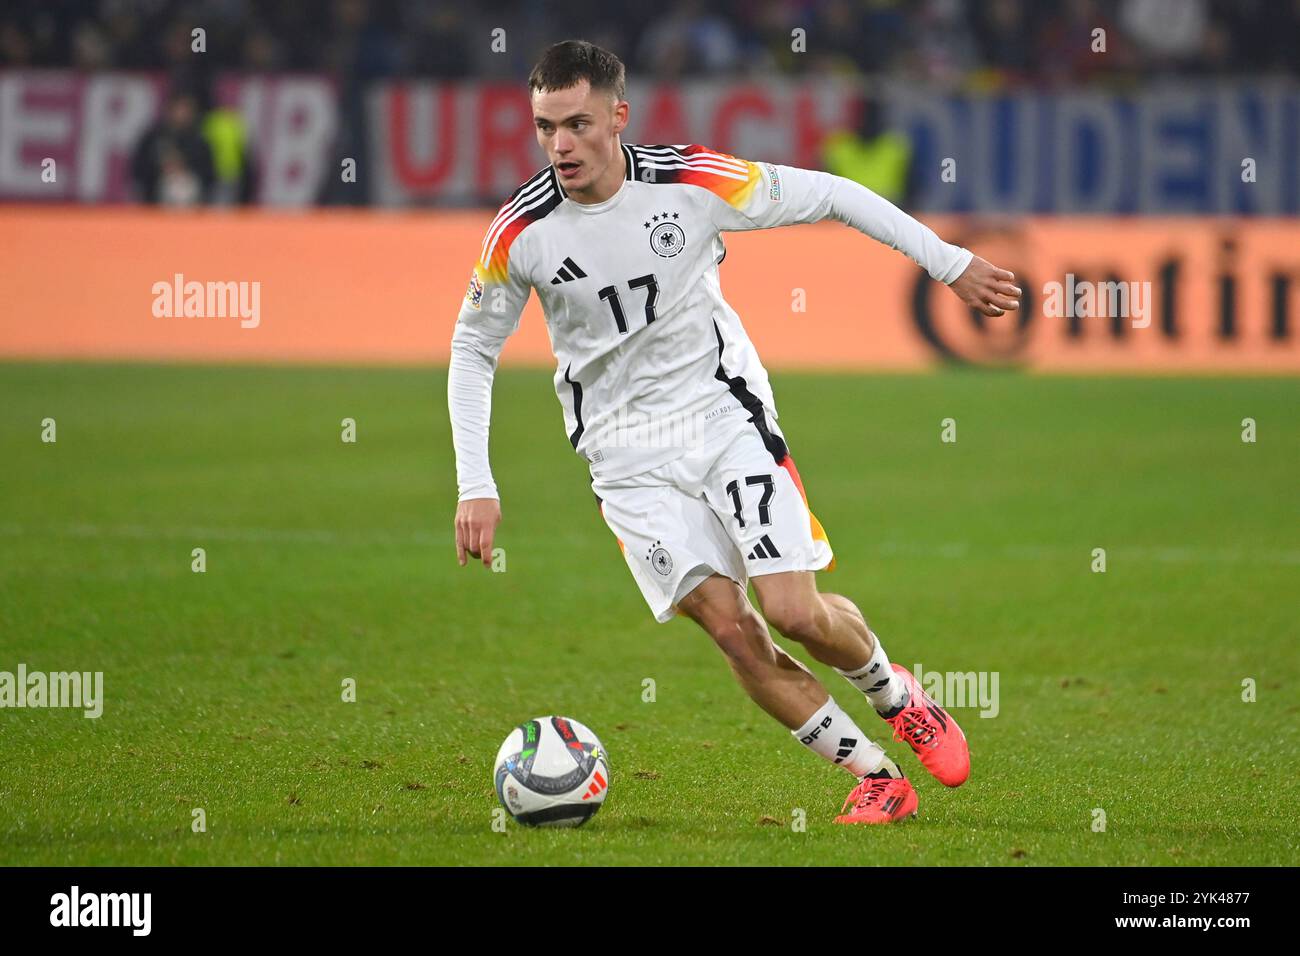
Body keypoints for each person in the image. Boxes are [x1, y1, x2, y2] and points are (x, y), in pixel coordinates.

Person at [448, 40, 1022, 824]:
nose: (560, 145)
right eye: (545, 126)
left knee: (794, 611)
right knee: (732, 629)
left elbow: (832, 194)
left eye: (578, 124)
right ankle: (876, 777)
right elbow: (474, 347)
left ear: (619, 116)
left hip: (722, 416)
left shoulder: (691, 182)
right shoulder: (521, 232)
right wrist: (475, 482)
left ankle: (898, 695)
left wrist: (948, 262)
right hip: (622, 459)